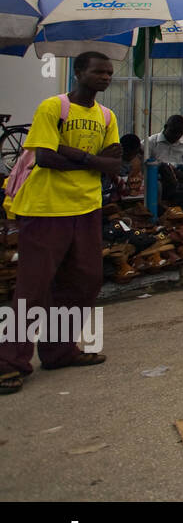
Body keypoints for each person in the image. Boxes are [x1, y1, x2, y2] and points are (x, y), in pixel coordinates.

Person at [0, 52, 122, 395]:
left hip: (85, 207)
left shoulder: (106, 115)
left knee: (85, 279)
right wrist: (91, 160)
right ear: (79, 72)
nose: (105, 77)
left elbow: (113, 163)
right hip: (45, 208)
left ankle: (59, 349)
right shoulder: (53, 108)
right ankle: (9, 361)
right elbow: (45, 157)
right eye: (99, 71)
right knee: (33, 286)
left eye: (110, 73)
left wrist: (76, 156)